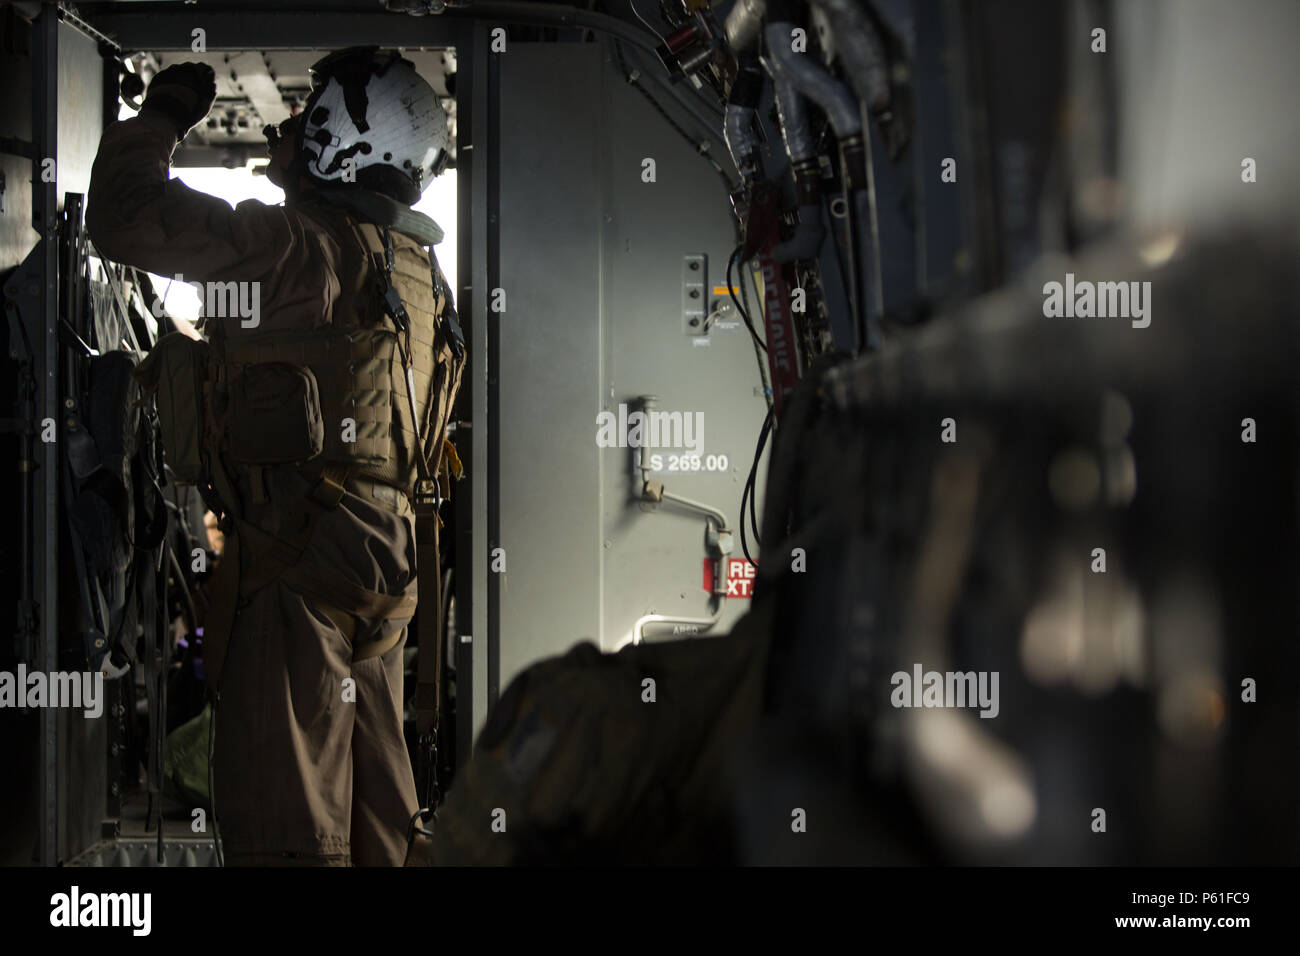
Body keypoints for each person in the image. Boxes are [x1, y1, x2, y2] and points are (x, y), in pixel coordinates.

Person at [87, 48, 466, 866]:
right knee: (378, 833)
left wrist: (161, 117)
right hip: (387, 582)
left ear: (344, 140)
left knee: (286, 833)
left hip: (295, 577)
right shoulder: (419, 276)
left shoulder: (292, 250)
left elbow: (122, 215)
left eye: (306, 117)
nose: (286, 129)